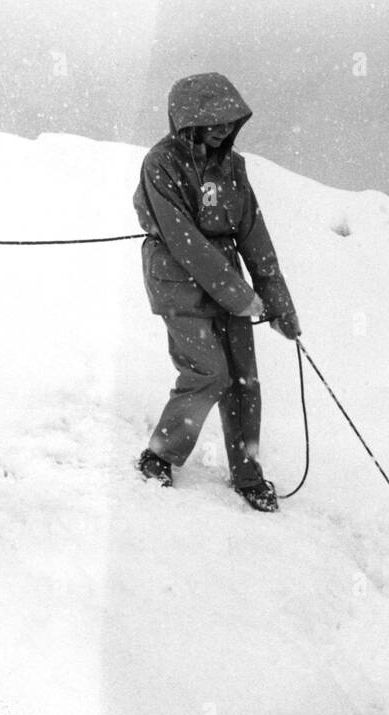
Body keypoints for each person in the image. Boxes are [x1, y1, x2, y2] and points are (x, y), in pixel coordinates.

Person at [131, 72, 301, 513]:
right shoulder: (160, 163)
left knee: (245, 380)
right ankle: (160, 455)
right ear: (188, 119)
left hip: (227, 277)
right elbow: (182, 237)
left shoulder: (234, 167)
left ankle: (247, 473)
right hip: (177, 280)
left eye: (230, 119)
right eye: (213, 120)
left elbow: (254, 236)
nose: (224, 128)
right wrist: (239, 294)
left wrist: (280, 305)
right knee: (209, 372)